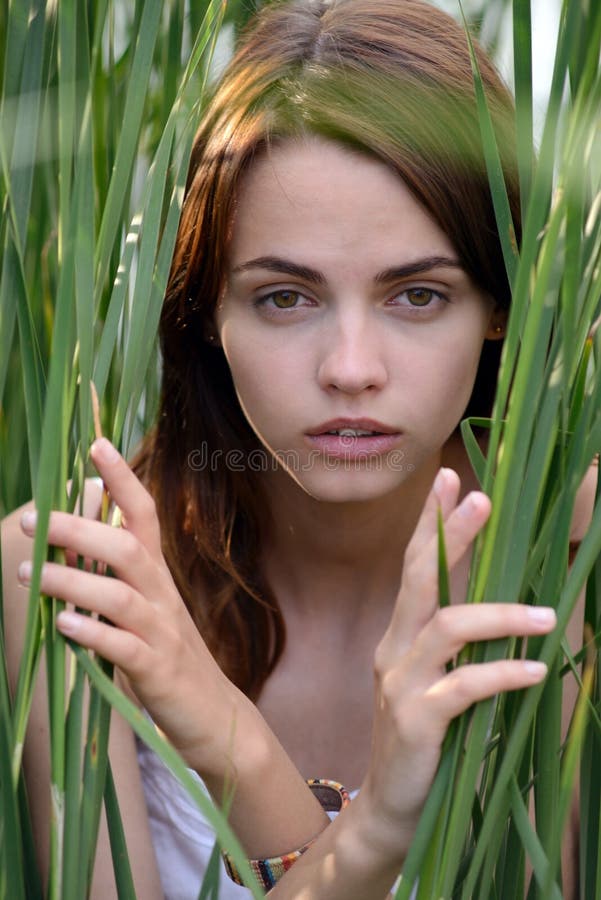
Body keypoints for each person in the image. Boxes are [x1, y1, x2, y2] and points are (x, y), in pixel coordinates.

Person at [1, 0, 593, 897]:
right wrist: (368, 825)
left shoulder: (572, 559)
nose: (350, 370)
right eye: (285, 297)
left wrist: (234, 751)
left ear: (500, 306)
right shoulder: (80, 574)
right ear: (208, 315)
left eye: (417, 296)